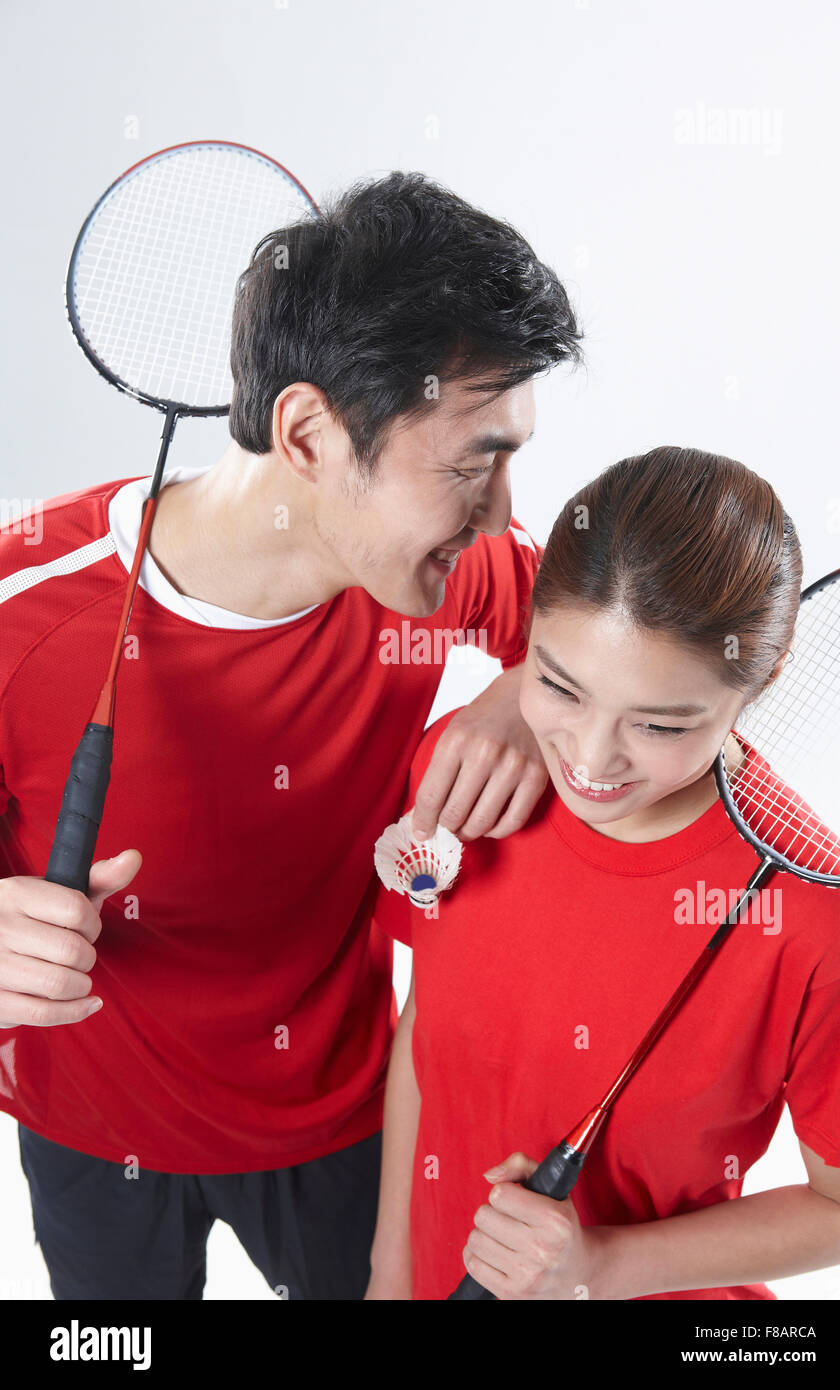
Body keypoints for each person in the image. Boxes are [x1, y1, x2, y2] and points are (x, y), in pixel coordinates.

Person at [0, 170, 582, 1300]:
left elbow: (649, 645)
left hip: (337, 1120)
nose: (504, 512)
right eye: (472, 458)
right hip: (87, 1132)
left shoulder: (434, 567)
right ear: (309, 433)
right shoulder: (26, 608)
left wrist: (527, 688)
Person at [367, 445, 840, 1301]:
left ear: (763, 678)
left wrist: (601, 1265)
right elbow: (426, 1022)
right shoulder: (467, 779)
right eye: (561, 687)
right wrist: (389, 1275)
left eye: (661, 726)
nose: (591, 761)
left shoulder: (824, 917)